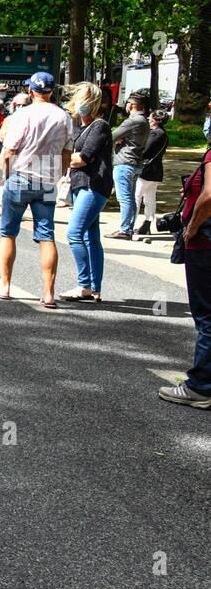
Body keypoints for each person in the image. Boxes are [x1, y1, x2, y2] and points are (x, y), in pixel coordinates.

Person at [0, 71, 72, 308]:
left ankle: (5, 286)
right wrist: (58, 175)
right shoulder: (63, 116)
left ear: (30, 90)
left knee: (8, 232)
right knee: (46, 235)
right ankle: (48, 292)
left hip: (21, 176)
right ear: (50, 91)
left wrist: (2, 175)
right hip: (47, 180)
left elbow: (9, 150)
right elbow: (67, 152)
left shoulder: (23, 115)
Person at [158, 134, 211, 408]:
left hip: (205, 243)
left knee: (207, 316)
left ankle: (201, 386)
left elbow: (210, 194)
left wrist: (191, 227)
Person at [59, 81, 113, 303]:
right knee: (91, 237)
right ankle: (95, 287)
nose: (80, 103)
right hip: (83, 185)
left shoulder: (100, 126)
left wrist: (59, 157)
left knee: (74, 233)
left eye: (84, 99)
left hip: (94, 185)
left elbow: (82, 159)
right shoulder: (82, 127)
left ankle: (84, 286)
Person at [106, 91, 150, 240]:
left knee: (125, 198)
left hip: (125, 162)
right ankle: (128, 228)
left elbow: (111, 136)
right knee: (130, 198)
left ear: (132, 105)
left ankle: (125, 229)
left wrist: (120, 140)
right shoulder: (144, 120)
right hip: (136, 162)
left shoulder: (132, 121)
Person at [135, 109, 169, 236]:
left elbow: (145, 152)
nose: (148, 120)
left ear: (155, 121)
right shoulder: (164, 134)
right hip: (156, 170)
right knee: (149, 198)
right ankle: (147, 223)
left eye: (150, 118)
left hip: (147, 170)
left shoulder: (155, 134)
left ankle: (129, 223)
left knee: (136, 196)